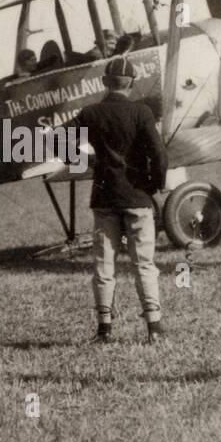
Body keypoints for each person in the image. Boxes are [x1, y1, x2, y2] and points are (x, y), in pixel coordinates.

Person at [68, 56, 168, 343]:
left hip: (105, 197)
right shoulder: (142, 112)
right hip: (137, 197)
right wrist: (155, 183)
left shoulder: (90, 113)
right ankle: (154, 327)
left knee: (103, 265)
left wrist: (86, 161)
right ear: (132, 82)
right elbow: (160, 154)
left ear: (104, 82)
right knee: (144, 263)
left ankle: (104, 329)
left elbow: (58, 139)